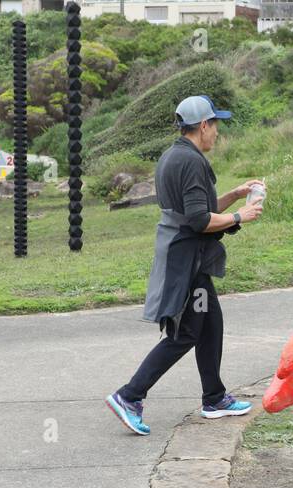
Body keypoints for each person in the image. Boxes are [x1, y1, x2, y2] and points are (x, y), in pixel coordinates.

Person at [106, 95, 262, 435]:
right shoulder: (192, 162)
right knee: (186, 332)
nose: (217, 133)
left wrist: (234, 195)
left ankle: (215, 397)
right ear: (203, 125)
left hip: (185, 255)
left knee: (211, 324)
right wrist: (240, 215)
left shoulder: (174, 155)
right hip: (188, 259)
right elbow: (198, 220)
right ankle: (130, 395)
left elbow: (197, 209)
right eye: (216, 125)